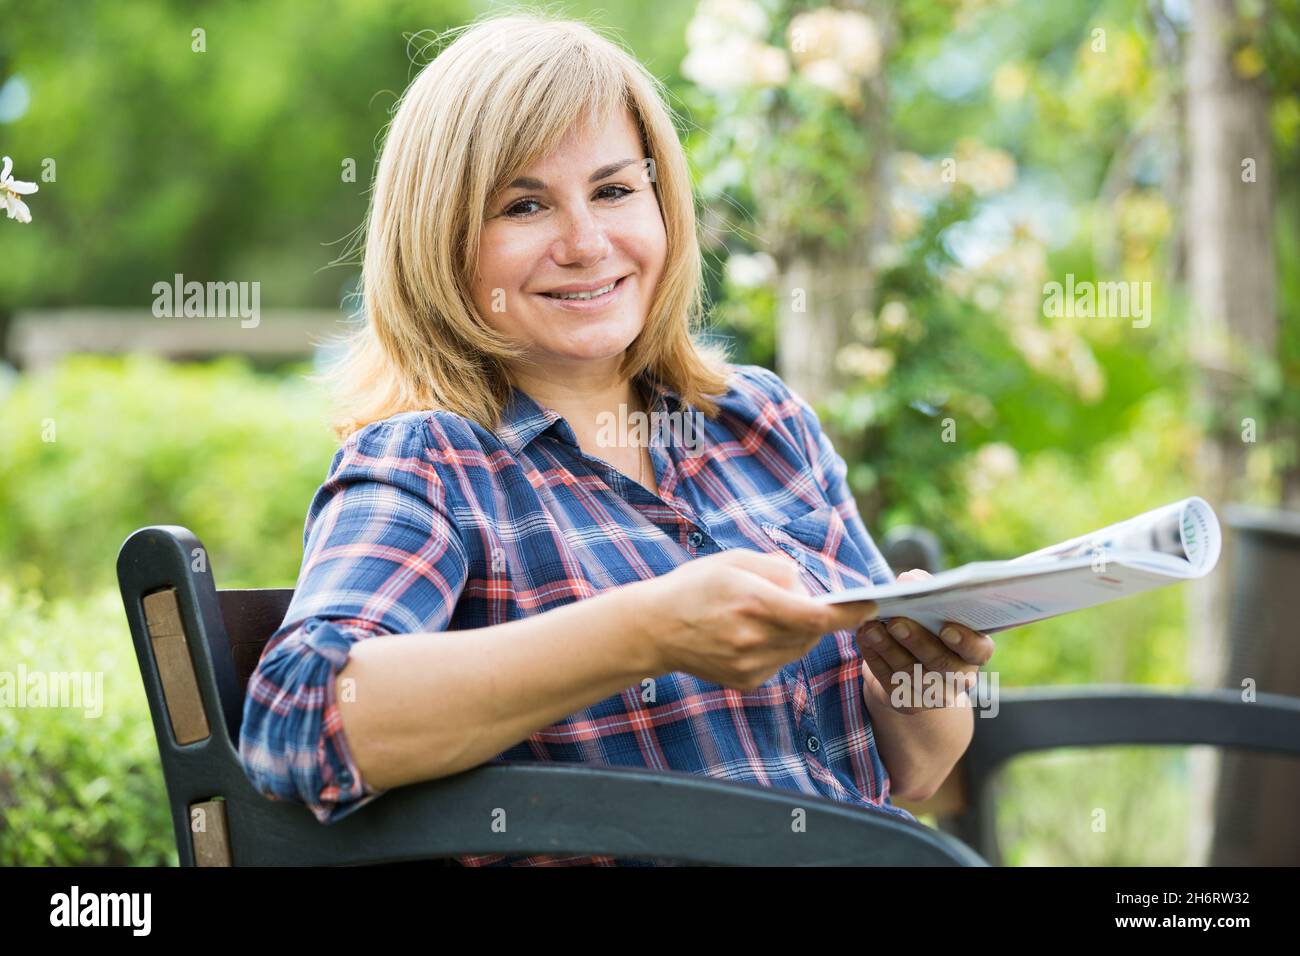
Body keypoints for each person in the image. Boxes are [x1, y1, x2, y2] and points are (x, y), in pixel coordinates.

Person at [237, 12, 995, 866]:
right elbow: (297, 725)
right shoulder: (434, 465)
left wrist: (920, 676)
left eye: (614, 191)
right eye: (525, 205)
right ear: (438, 240)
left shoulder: (760, 422)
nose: (587, 244)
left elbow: (920, 766)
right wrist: (643, 632)